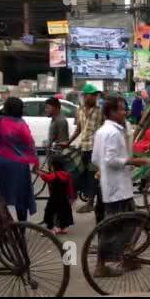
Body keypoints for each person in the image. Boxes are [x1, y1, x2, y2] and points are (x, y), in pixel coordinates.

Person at [91, 95, 150, 278]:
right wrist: (134, 161)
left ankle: (127, 259)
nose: (125, 112)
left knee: (125, 224)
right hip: (118, 189)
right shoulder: (114, 133)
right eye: (122, 109)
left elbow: (95, 159)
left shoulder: (103, 131)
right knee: (118, 228)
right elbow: (110, 160)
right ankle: (104, 265)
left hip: (113, 186)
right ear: (112, 112)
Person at [0, 97, 39, 222]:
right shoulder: (20, 124)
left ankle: (1, 229)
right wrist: (36, 162)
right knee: (21, 198)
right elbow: (30, 144)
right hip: (17, 165)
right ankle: (21, 230)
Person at [64, 84, 104, 213]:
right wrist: (68, 142)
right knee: (83, 175)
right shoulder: (79, 110)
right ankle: (85, 199)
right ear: (85, 96)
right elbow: (79, 128)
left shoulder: (100, 110)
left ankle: (91, 203)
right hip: (84, 147)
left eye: (95, 95)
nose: (94, 97)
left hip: (96, 148)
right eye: (92, 95)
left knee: (93, 176)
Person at [38, 155, 75, 235]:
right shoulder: (67, 175)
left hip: (54, 198)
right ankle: (63, 228)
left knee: (49, 212)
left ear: (54, 166)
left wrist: (38, 171)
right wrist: (71, 198)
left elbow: (46, 177)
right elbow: (70, 188)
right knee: (64, 212)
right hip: (64, 198)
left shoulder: (54, 175)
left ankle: (51, 229)